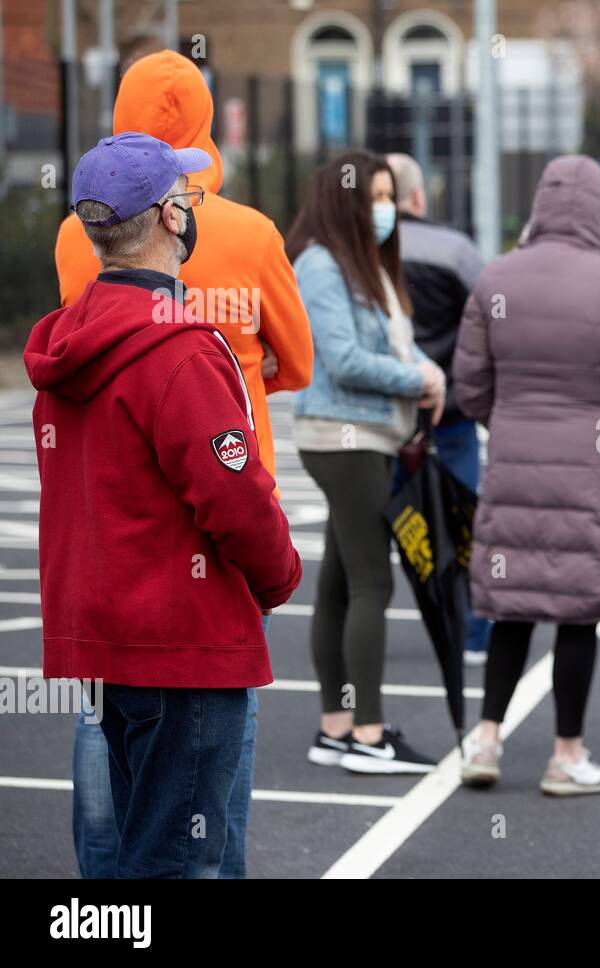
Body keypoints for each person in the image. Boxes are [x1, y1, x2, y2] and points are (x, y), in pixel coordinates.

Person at [53, 50, 313, 880]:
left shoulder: (79, 242)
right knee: (203, 803)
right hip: (205, 570)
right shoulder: (233, 264)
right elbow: (294, 365)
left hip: (105, 562)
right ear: (171, 213)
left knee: (109, 767)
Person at [454, 156, 600, 795]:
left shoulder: (497, 278)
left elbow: (469, 389)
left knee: (511, 606)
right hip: (596, 472)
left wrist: (514, 419)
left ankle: (486, 739)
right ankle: (566, 754)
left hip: (516, 463)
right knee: (578, 611)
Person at [286, 151, 447, 775]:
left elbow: (380, 346)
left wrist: (419, 373)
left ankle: (336, 727)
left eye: (388, 194)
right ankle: (368, 735)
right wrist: (418, 379)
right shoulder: (325, 266)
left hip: (365, 438)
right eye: (374, 195)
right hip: (344, 438)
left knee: (338, 583)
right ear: (343, 199)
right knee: (371, 584)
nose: (386, 207)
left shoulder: (362, 264)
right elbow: (347, 360)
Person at [386, 152, 492, 668]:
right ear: (420, 196)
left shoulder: (359, 253)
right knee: (465, 519)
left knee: (377, 528)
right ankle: (473, 630)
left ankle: (369, 630)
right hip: (450, 411)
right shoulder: (456, 250)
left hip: (382, 418)